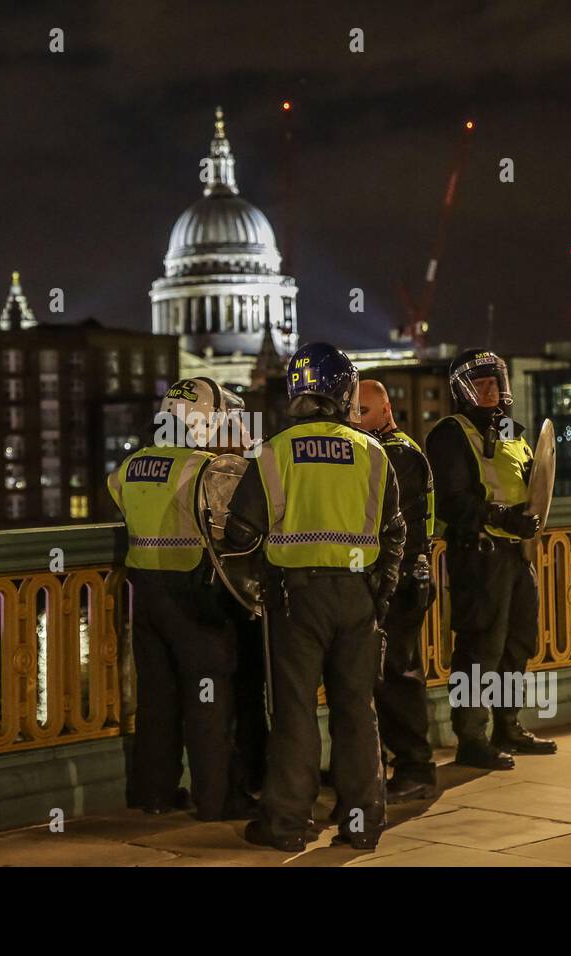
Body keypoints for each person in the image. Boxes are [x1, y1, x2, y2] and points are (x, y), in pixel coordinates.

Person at [224, 343, 405, 851]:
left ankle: (285, 825)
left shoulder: (274, 452)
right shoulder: (373, 452)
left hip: (294, 599)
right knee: (357, 708)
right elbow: (395, 531)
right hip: (358, 598)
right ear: (345, 392)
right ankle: (362, 823)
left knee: (295, 710)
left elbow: (241, 532)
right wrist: (380, 594)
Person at [107, 377, 256, 820]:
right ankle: (216, 799)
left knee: (156, 697)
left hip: (144, 594)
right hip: (194, 595)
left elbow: (117, 496)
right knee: (209, 698)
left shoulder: (131, 464)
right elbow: (238, 525)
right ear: (204, 421)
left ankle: (155, 793)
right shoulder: (205, 468)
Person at [424, 349, 557, 770]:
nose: (493, 390)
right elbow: (451, 501)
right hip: (478, 556)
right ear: (463, 389)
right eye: (483, 383)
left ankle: (508, 726)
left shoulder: (514, 433)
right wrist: (499, 517)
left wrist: (526, 522)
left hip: (518, 555)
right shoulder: (450, 432)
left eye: (496, 381)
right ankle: (471, 737)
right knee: (479, 649)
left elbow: (535, 486)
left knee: (517, 645)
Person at [357, 380, 438, 801]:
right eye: (352, 412)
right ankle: (393, 764)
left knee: (398, 674)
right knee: (387, 675)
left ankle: (415, 768)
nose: (357, 420)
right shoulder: (384, 450)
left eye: (365, 412)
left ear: (386, 409)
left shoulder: (398, 455)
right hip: (396, 577)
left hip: (404, 579)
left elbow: (380, 523)